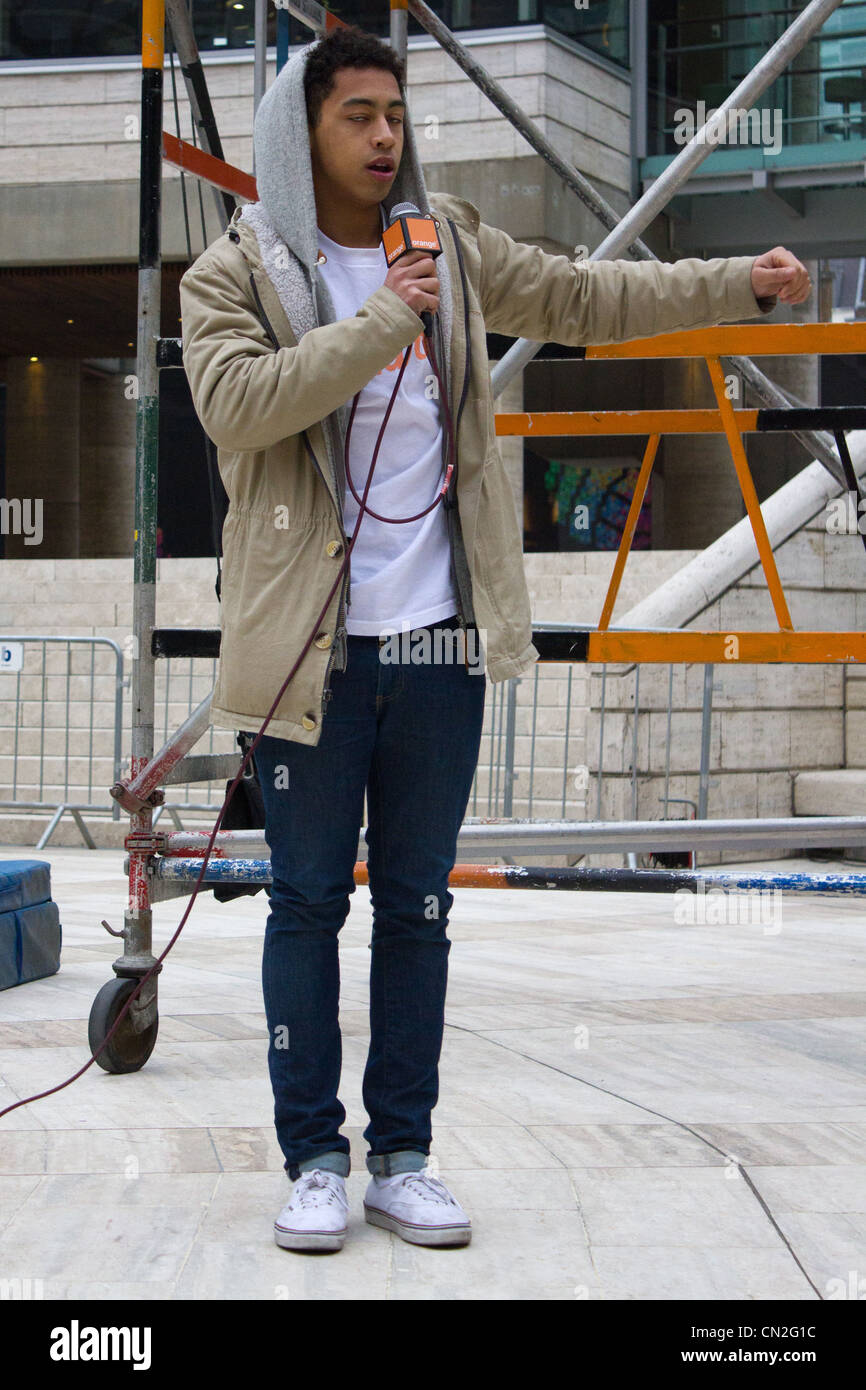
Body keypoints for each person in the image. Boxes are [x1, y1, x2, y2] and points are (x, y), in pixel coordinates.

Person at [179, 24, 810, 1254]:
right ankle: (312, 1158)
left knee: (415, 907)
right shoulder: (235, 273)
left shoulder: (449, 245)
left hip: (436, 646)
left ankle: (402, 1156)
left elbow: (584, 292)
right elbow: (235, 405)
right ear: (298, 133)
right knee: (307, 904)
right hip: (310, 656)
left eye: (393, 116)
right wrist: (377, 324)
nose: (382, 138)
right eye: (356, 115)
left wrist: (733, 285)